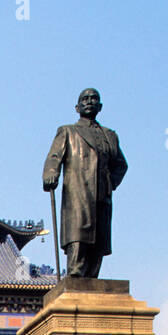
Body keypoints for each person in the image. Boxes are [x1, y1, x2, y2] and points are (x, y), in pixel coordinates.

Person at [42, 87, 128, 278]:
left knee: (100, 237)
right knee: (79, 233)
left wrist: (109, 183)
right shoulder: (68, 131)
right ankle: (75, 273)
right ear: (77, 107)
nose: (89, 101)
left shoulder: (110, 135)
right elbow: (54, 156)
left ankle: (92, 277)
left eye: (94, 99)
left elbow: (121, 165)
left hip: (102, 194)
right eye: (85, 99)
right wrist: (51, 172)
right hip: (78, 192)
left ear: (100, 106)